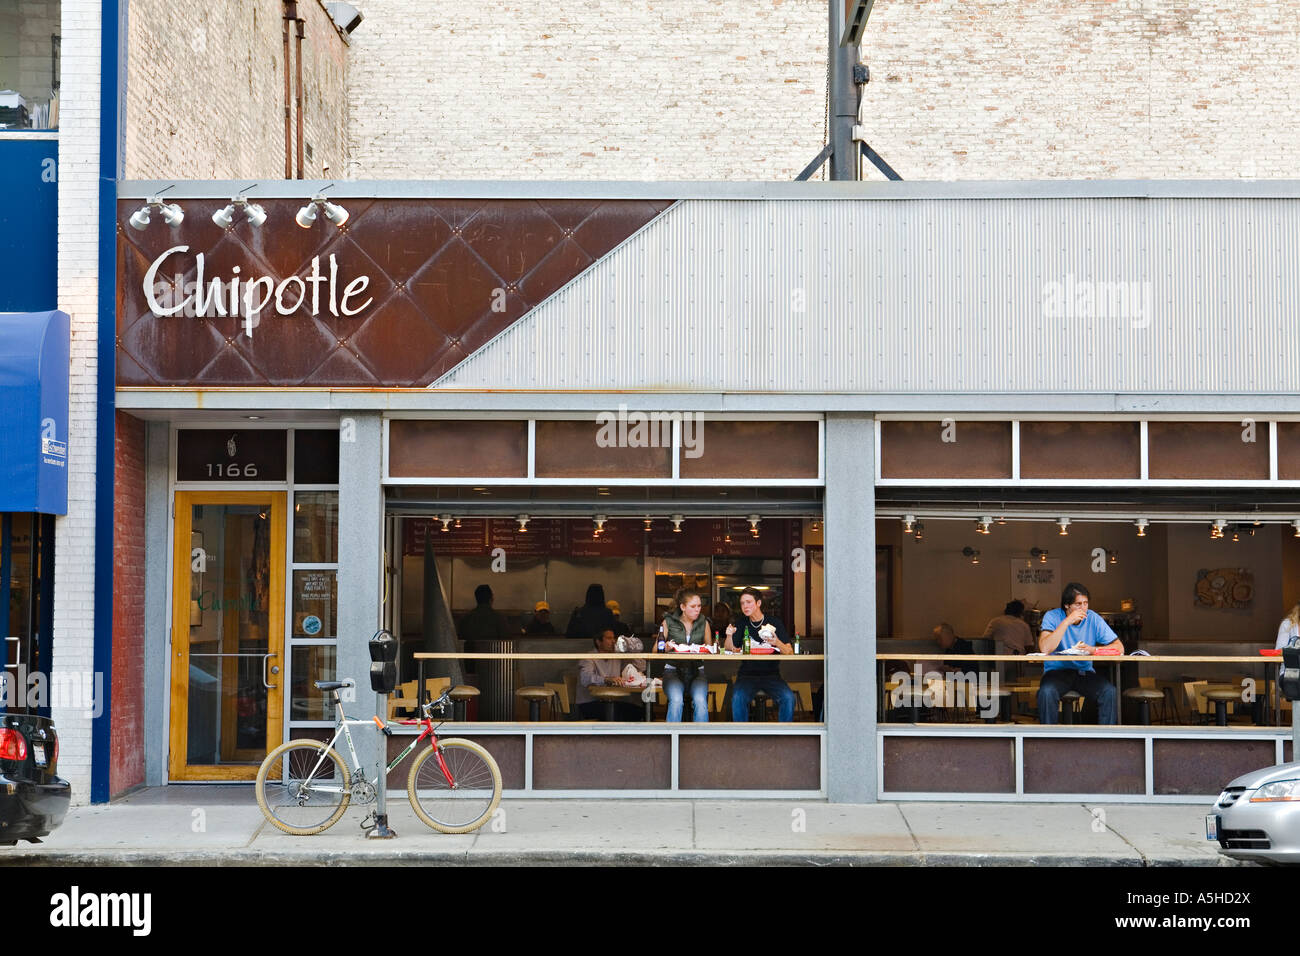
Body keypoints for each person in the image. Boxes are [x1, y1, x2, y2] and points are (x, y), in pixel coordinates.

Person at [1036, 582, 1122, 724]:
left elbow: (1119, 648)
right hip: (1057, 672)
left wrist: (1093, 650)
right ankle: (1048, 740)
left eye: (1086, 603)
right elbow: (1045, 648)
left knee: (1109, 691)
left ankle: (1107, 740)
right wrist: (1067, 621)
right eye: (1078, 604)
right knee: (1046, 693)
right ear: (1066, 605)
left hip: (1084, 672)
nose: (1083, 609)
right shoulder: (1052, 616)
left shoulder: (1092, 618)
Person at [726, 587, 796, 722]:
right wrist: (729, 636)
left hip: (771, 675)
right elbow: (730, 649)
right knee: (737, 698)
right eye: (742, 603)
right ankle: (741, 738)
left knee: (788, 698)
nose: (745, 606)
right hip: (747, 675)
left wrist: (776, 642)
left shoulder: (774, 623)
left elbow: (789, 651)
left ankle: (784, 738)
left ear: (758, 603)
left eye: (748, 602)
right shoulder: (741, 624)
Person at [660, 588, 713, 722]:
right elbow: (656, 649)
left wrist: (704, 649)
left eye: (699, 606)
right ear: (683, 607)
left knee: (700, 701)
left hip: (697, 672)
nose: (697, 610)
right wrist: (665, 648)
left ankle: (701, 741)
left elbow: (711, 649)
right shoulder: (668, 622)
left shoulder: (704, 622)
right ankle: (671, 740)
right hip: (672, 671)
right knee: (677, 700)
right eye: (693, 606)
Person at [576, 628, 640, 721]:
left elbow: (639, 667)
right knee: (617, 714)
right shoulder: (588, 657)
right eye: (609, 638)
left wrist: (631, 650)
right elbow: (585, 678)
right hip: (590, 702)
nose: (613, 641)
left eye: (614, 638)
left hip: (613, 701)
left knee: (639, 712)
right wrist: (606, 679)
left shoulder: (616, 656)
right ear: (598, 642)